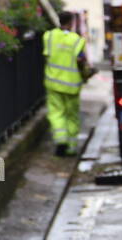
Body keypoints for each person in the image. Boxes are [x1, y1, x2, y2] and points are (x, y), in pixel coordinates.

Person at [43, 11, 90, 157]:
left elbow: (47, 55)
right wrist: (86, 74)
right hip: (72, 85)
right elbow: (81, 61)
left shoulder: (48, 36)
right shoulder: (77, 40)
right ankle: (71, 147)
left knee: (56, 113)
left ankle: (60, 140)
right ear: (71, 23)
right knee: (72, 116)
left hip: (53, 83)